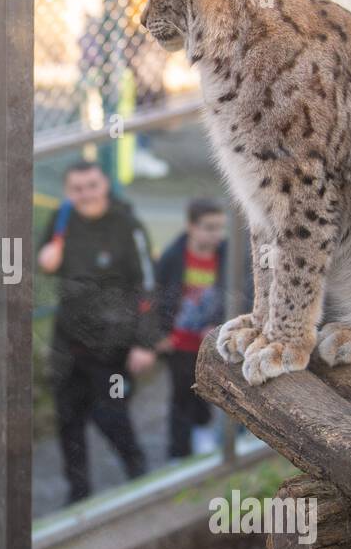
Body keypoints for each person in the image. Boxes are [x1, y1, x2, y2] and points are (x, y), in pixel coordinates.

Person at [38, 161, 158, 504]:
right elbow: (48, 261)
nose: (85, 194)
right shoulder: (63, 219)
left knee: (110, 414)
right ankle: (78, 492)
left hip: (111, 343)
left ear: (104, 184)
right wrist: (44, 259)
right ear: (67, 192)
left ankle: (139, 474)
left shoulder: (127, 224)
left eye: (91, 185)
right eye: (77, 188)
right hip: (68, 339)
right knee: (68, 420)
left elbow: (147, 285)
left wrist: (145, 342)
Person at [154, 198, 246, 459]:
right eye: (209, 227)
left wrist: (220, 323)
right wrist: (160, 334)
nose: (216, 234)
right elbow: (158, 296)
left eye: (220, 228)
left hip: (215, 341)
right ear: (191, 227)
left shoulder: (229, 255)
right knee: (182, 395)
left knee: (214, 392)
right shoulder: (173, 256)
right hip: (180, 342)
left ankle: (207, 436)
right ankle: (178, 452)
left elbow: (239, 291)